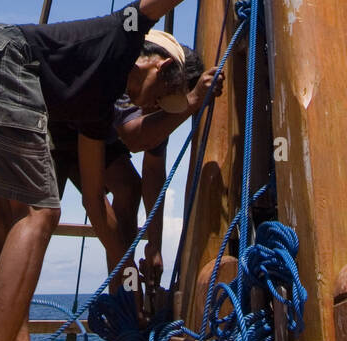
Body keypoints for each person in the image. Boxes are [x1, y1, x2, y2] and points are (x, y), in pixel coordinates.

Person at [0, 0, 258, 341]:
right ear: (161, 67)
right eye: (161, 99)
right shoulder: (125, 32)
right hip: (2, 60)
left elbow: (102, 181)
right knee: (40, 213)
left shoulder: (94, 108)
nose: (152, 107)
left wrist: (143, 249)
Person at [49, 47, 224, 300]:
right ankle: (124, 286)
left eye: (171, 105)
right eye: (165, 98)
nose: (158, 106)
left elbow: (153, 173)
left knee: (128, 187)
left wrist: (154, 245)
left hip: (90, 132)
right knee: (41, 214)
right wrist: (194, 100)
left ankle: (123, 300)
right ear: (165, 74)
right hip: (58, 116)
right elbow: (133, 138)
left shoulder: (161, 111)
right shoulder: (129, 73)